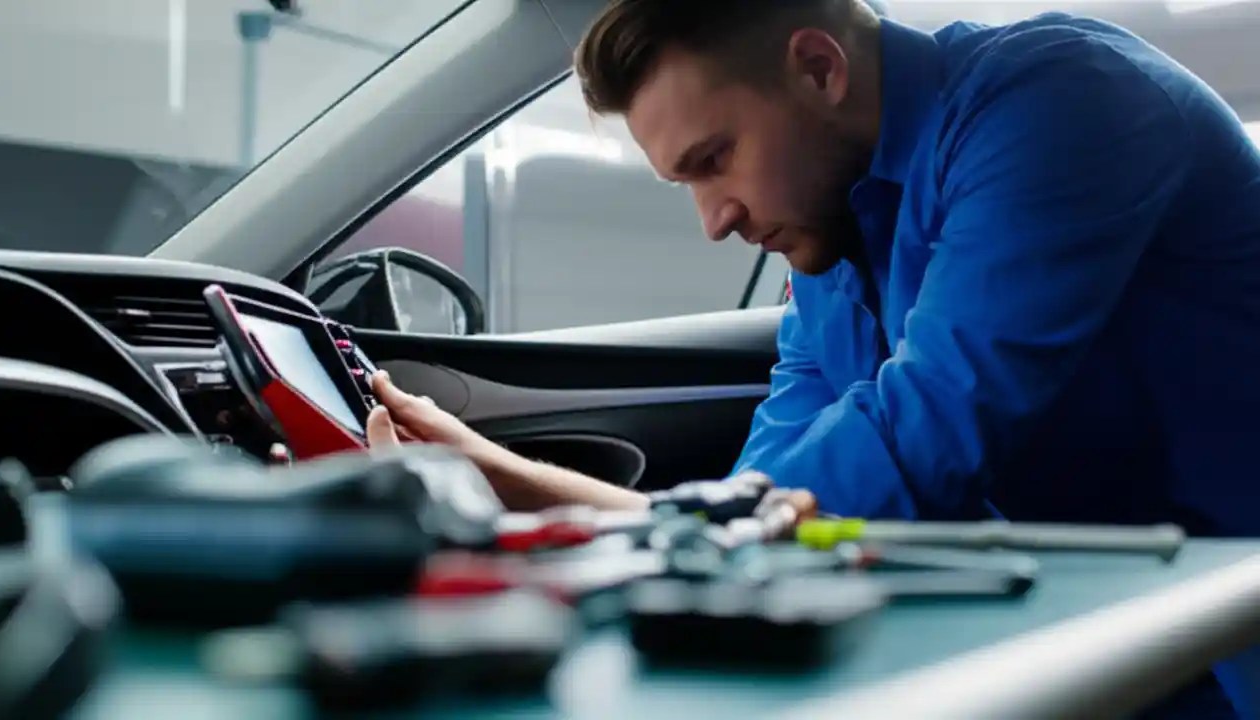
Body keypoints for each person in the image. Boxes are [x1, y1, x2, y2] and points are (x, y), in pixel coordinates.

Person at [369, 0, 1260, 535]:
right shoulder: (830, 233)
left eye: (714, 158)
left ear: (818, 68)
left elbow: (921, 444)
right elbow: (761, 500)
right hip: (1118, 614)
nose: (714, 221)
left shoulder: (1061, 106)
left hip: (1222, 629)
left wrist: (523, 493)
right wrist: (508, 485)